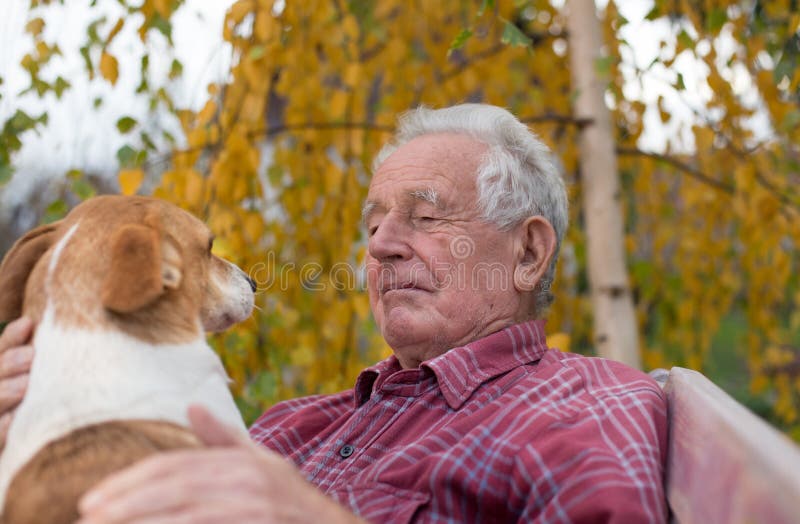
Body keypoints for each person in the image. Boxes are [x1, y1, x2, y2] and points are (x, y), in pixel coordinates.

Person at [0, 104, 668, 523]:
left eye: (425, 215)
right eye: (373, 223)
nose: (379, 243)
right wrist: (25, 438)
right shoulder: (293, 425)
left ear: (526, 252)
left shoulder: (584, 407)